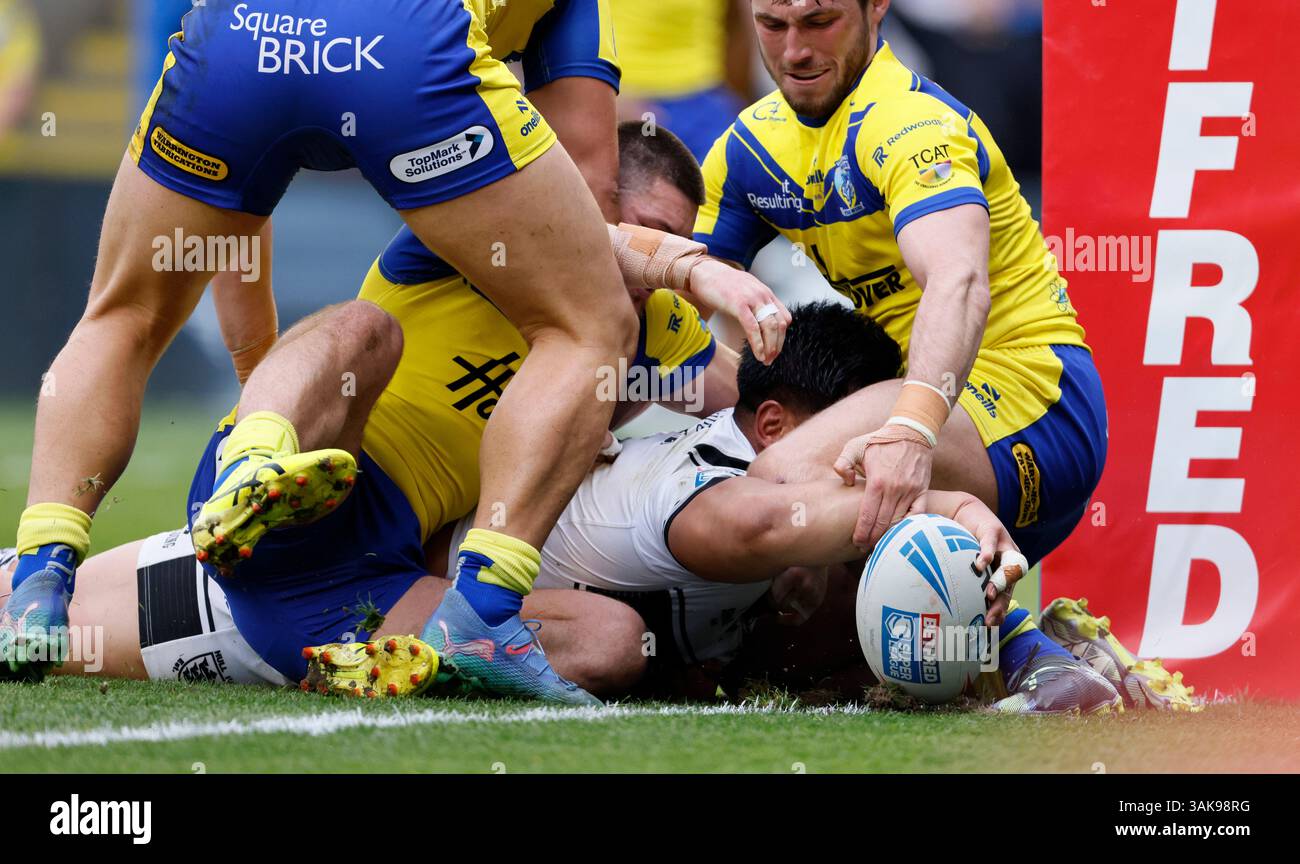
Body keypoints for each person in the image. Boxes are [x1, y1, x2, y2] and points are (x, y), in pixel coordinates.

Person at [0, 1, 788, 695]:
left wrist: (262, 391)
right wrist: (692, 267)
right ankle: (476, 610)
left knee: (124, 312)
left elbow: (757, 402)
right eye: (647, 227)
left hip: (239, 32)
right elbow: (583, 202)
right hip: (400, 41)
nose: (650, 255)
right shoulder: (467, 245)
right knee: (560, 326)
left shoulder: (664, 334)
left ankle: (41, 577)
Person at [693, 0, 1106, 581]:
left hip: (1031, 402)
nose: (795, 52)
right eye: (773, 25)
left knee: (772, 488)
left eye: (819, 22)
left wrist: (912, 429)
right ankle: (1041, 651)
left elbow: (958, 281)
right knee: (784, 624)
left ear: (877, 8)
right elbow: (679, 310)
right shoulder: (749, 151)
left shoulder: (910, 122)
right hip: (931, 418)